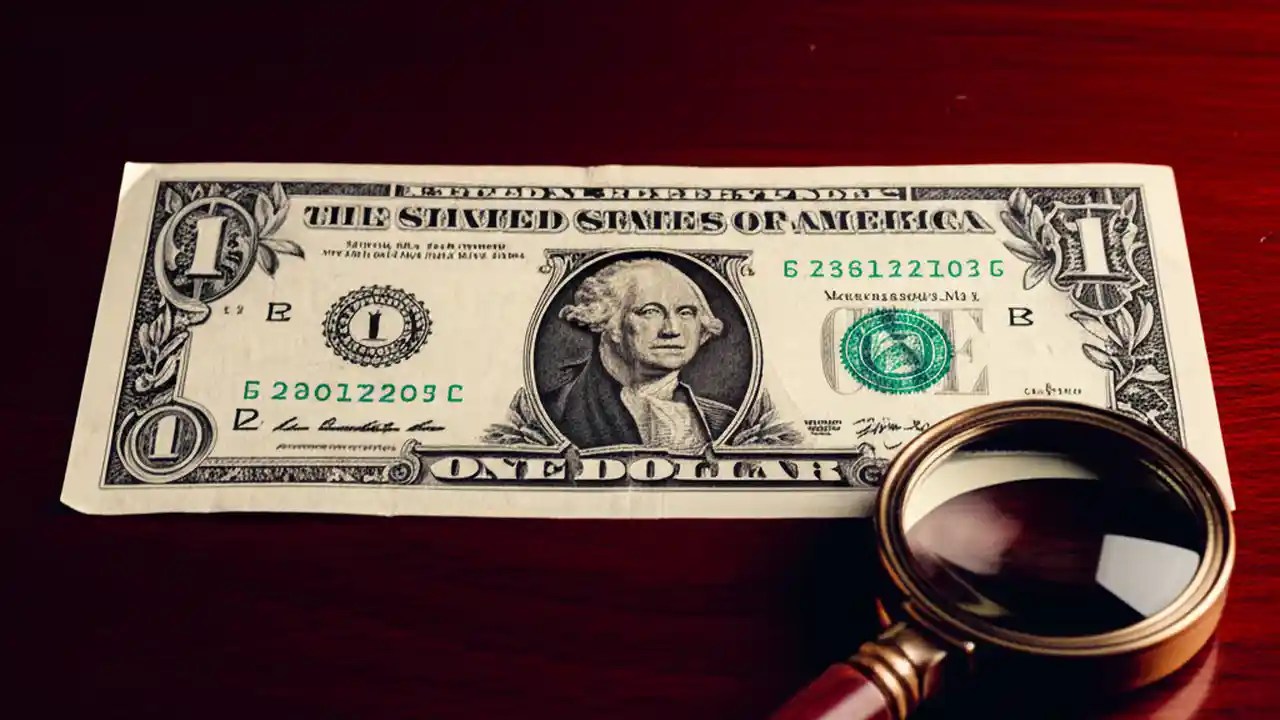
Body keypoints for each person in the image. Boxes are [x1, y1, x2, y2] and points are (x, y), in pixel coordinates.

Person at [541, 258, 738, 452]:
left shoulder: (725, 421)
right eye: (650, 312)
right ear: (610, 322)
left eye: (685, 312)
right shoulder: (552, 412)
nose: (672, 330)